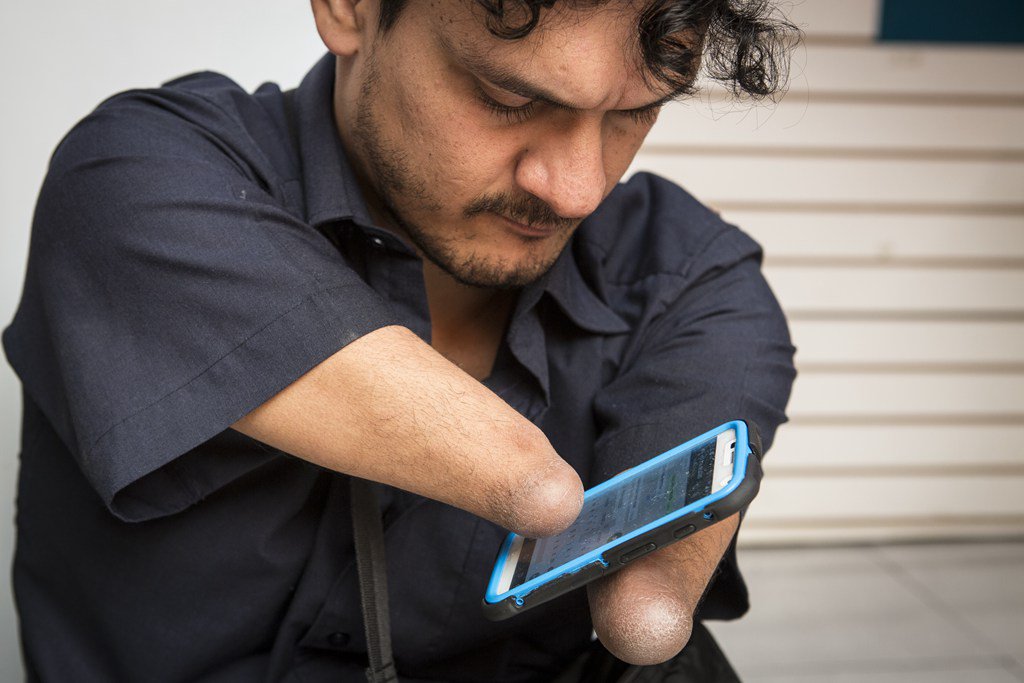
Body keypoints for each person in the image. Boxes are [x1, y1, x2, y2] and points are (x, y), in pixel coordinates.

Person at [4, 0, 798, 680]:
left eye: (636, 110)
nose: (578, 186)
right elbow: (533, 488)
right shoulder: (136, 179)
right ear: (349, 8)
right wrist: (560, 497)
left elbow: (645, 622)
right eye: (507, 95)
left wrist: (650, 583)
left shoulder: (690, 276)